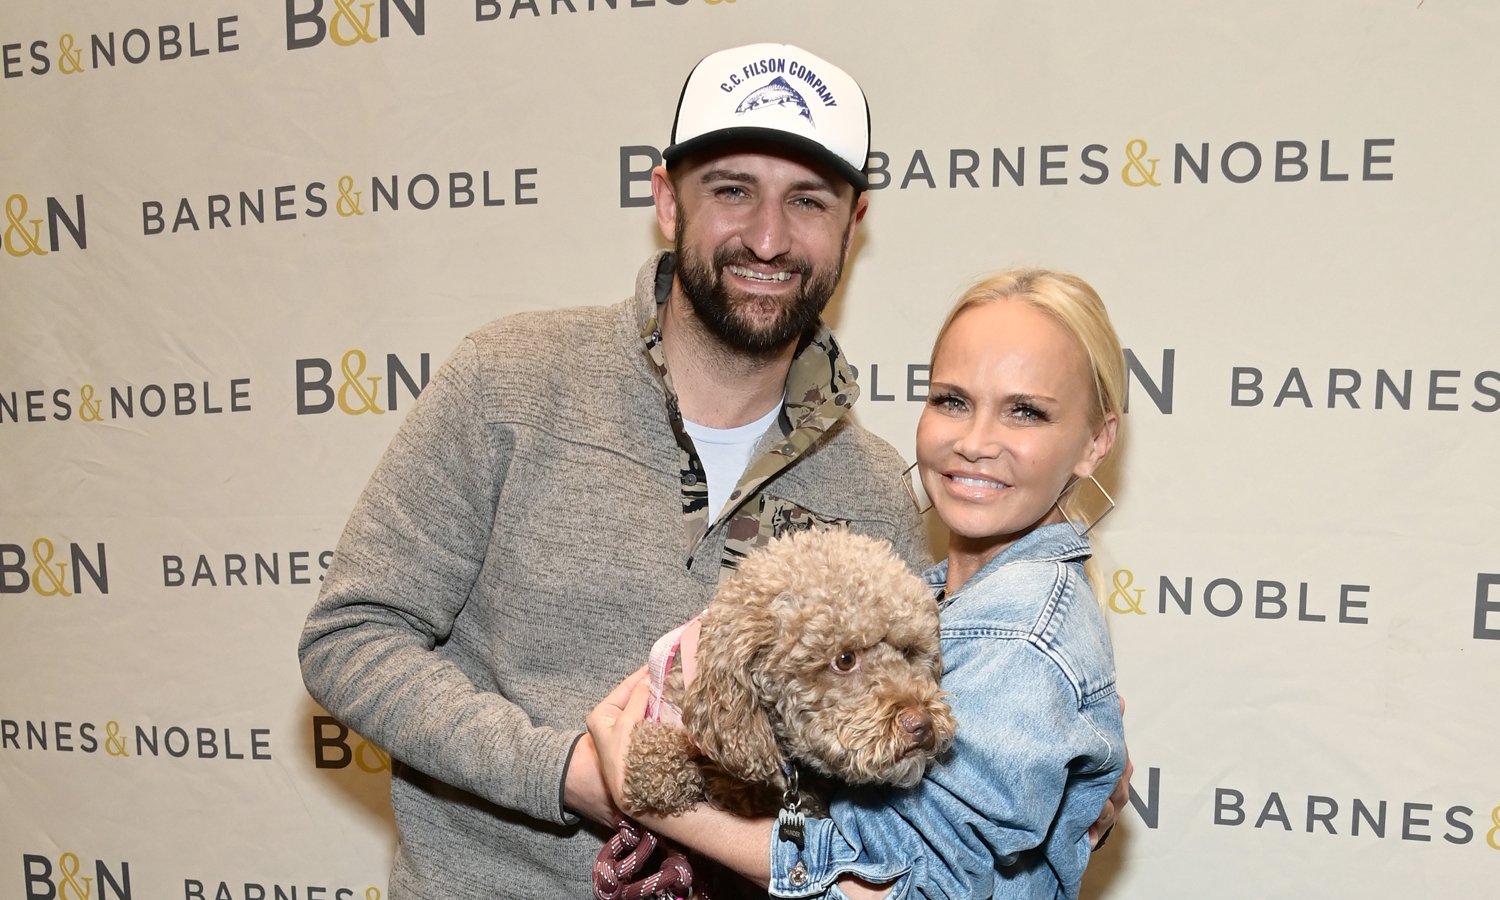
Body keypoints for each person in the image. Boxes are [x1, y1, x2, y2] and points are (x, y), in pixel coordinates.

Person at [300, 42, 932, 900]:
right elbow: (353, 639)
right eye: (732, 190)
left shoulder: (877, 490)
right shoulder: (510, 382)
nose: (769, 237)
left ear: (853, 225)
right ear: (668, 198)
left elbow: (890, 763)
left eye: (808, 201)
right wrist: (565, 770)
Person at [589, 268, 1131, 900]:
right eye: (953, 401)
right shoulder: (931, 598)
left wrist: (653, 804)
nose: (977, 443)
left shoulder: (1021, 629)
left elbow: (894, 888)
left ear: (1096, 443)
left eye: (1026, 412)